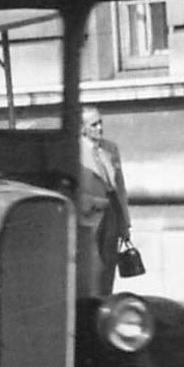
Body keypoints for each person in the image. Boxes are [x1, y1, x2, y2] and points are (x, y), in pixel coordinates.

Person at [78, 105, 132, 295]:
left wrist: (125, 222)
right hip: (89, 216)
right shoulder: (74, 151)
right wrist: (91, 203)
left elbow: (121, 187)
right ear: (82, 128)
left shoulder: (110, 148)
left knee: (110, 262)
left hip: (112, 212)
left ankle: (106, 300)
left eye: (100, 123)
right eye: (94, 125)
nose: (99, 128)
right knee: (94, 267)